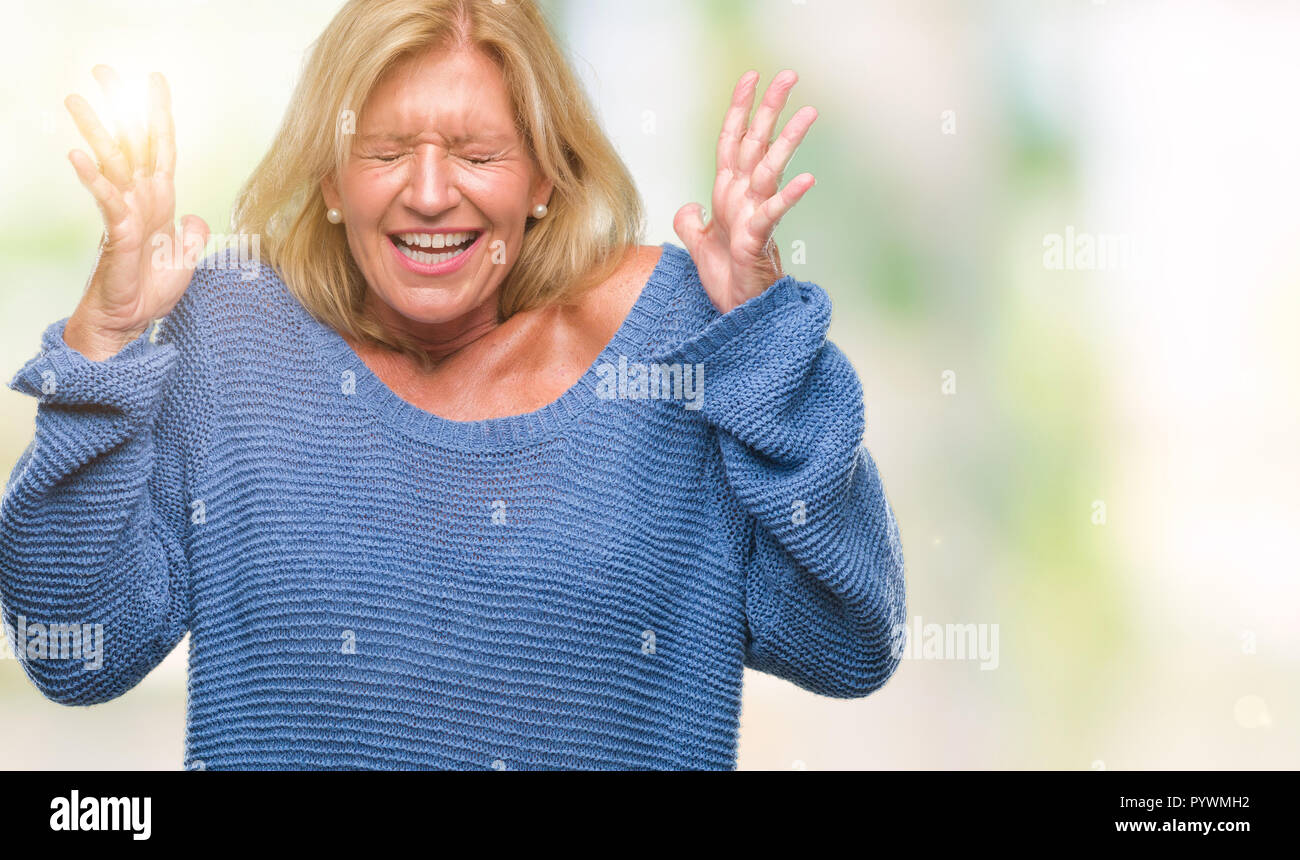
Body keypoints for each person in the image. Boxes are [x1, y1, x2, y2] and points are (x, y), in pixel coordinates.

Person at [0, 0, 905, 770]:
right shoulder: (231, 338)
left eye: (477, 155)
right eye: (387, 151)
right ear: (329, 178)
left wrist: (764, 341)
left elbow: (854, 644)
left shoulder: (683, 334)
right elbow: (80, 655)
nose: (431, 195)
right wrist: (107, 339)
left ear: (545, 177)